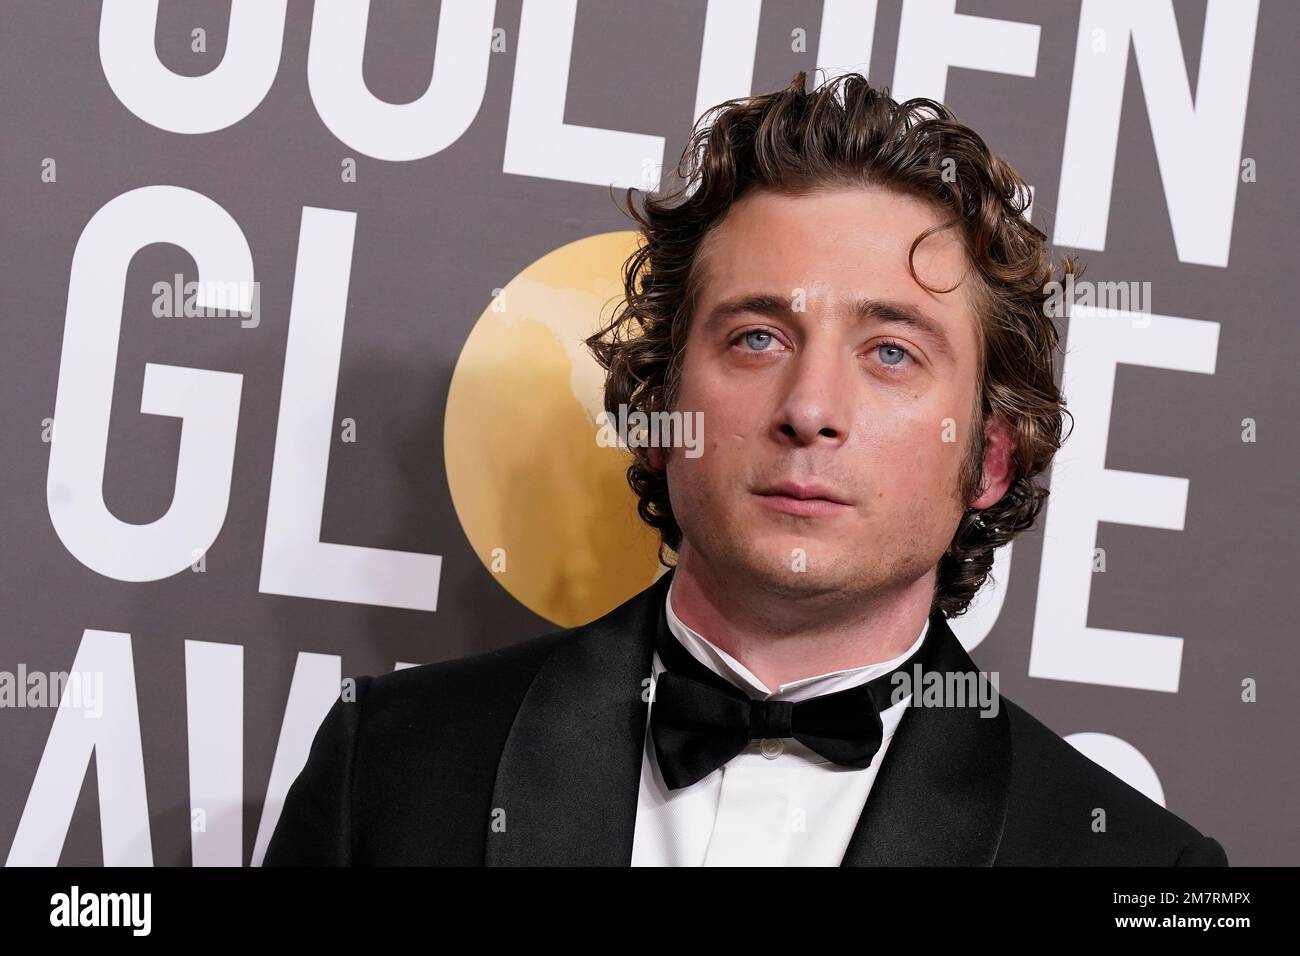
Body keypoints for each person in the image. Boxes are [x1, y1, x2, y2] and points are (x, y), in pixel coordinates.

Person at [263, 70, 1227, 867]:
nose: (810, 409)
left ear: (990, 457)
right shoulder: (386, 771)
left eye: (892, 352)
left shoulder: (1138, 869)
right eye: (759, 337)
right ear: (657, 411)